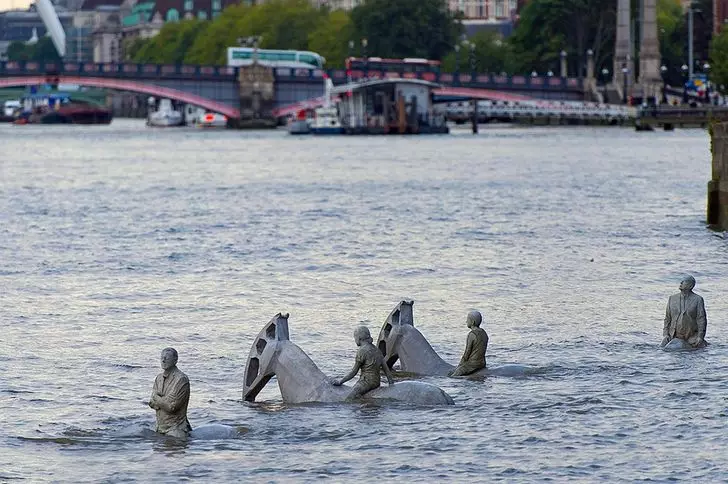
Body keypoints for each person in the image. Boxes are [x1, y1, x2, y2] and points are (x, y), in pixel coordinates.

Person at [333, 326, 395, 400]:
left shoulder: (361, 351)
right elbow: (386, 370)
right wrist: (391, 385)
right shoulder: (377, 350)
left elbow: (353, 372)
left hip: (366, 382)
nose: (355, 340)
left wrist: (340, 381)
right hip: (376, 383)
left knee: (348, 398)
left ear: (359, 338)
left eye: (354, 338)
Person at [149, 347, 192, 438]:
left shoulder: (181, 379)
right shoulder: (159, 378)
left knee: (176, 448)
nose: (163, 360)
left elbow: (171, 407)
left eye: (167, 358)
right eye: (162, 358)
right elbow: (152, 403)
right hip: (159, 427)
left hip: (175, 428)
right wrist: (162, 401)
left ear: (175, 360)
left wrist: (157, 398)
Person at [661, 275, 708, 349]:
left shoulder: (698, 299)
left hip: (691, 336)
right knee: (662, 349)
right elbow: (667, 319)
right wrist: (665, 334)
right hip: (673, 336)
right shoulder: (672, 298)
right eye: (681, 281)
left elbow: (701, 320)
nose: (681, 283)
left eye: (684, 281)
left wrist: (700, 337)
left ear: (690, 285)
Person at [449, 311, 489, 377]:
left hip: (473, 365)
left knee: (454, 376)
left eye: (467, 320)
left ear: (472, 322)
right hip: (482, 363)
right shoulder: (484, 333)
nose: (466, 322)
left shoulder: (471, 334)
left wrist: (460, 365)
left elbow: (467, 352)